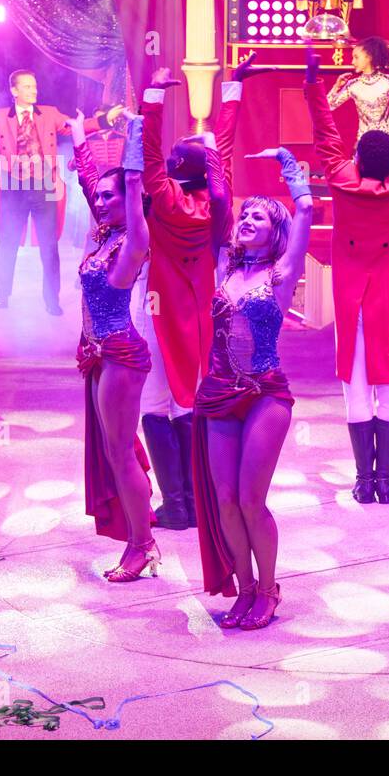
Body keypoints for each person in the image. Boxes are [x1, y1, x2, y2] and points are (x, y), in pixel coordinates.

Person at [121, 58, 268, 531]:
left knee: (153, 403)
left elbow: (146, 151)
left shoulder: (163, 198)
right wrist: (234, 89)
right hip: (203, 312)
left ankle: (178, 504)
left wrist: (155, 96)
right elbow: (222, 149)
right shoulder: (218, 205)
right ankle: (197, 500)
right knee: (189, 399)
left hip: (157, 307)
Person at [193, 148, 313, 631]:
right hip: (221, 392)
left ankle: (268, 589)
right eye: (245, 215)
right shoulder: (224, 267)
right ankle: (243, 588)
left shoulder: (281, 275)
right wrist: (213, 157)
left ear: (274, 232)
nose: (245, 221)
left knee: (249, 499)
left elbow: (305, 210)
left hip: (265, 393)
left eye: (257, 217)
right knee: (224, 499)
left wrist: (288, 164)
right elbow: (220, 202)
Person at [305, 45, 389, 506]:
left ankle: (363, 478)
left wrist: (313, 81)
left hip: (351, 299)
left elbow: (324, 132)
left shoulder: (341, 177)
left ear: (357, 154)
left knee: (355, 384)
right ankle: (387, 478)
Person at [0, 70, 118, 315]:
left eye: (34, 86)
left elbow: (79, 127)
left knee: (49, 246)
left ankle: (51, 301)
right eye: (27, 87)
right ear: (14, 91)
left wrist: (105, 119)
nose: (33, 91)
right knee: (7, 243)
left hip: (44, 186)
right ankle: (2, 295)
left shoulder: (50, 114)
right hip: (14, 186)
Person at [70, 113, 155, 581]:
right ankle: (141, 540)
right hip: (98, 355)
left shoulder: (134, 240)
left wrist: (138, 127)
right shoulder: (105, 234)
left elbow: (135, 184)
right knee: (113, 451)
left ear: (131, 201)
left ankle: (141, 546)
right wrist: (80, 134)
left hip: (120, 354)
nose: (100, 202)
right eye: (98, 197)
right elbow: (89, 182)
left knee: (120, 454)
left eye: (110, 196)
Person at [328, 36, 389, 141]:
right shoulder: (352, 85)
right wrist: (336, 87)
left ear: (369, 57)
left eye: (356, 57)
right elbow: (328, 107)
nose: (352, 62)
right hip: (364, 142)